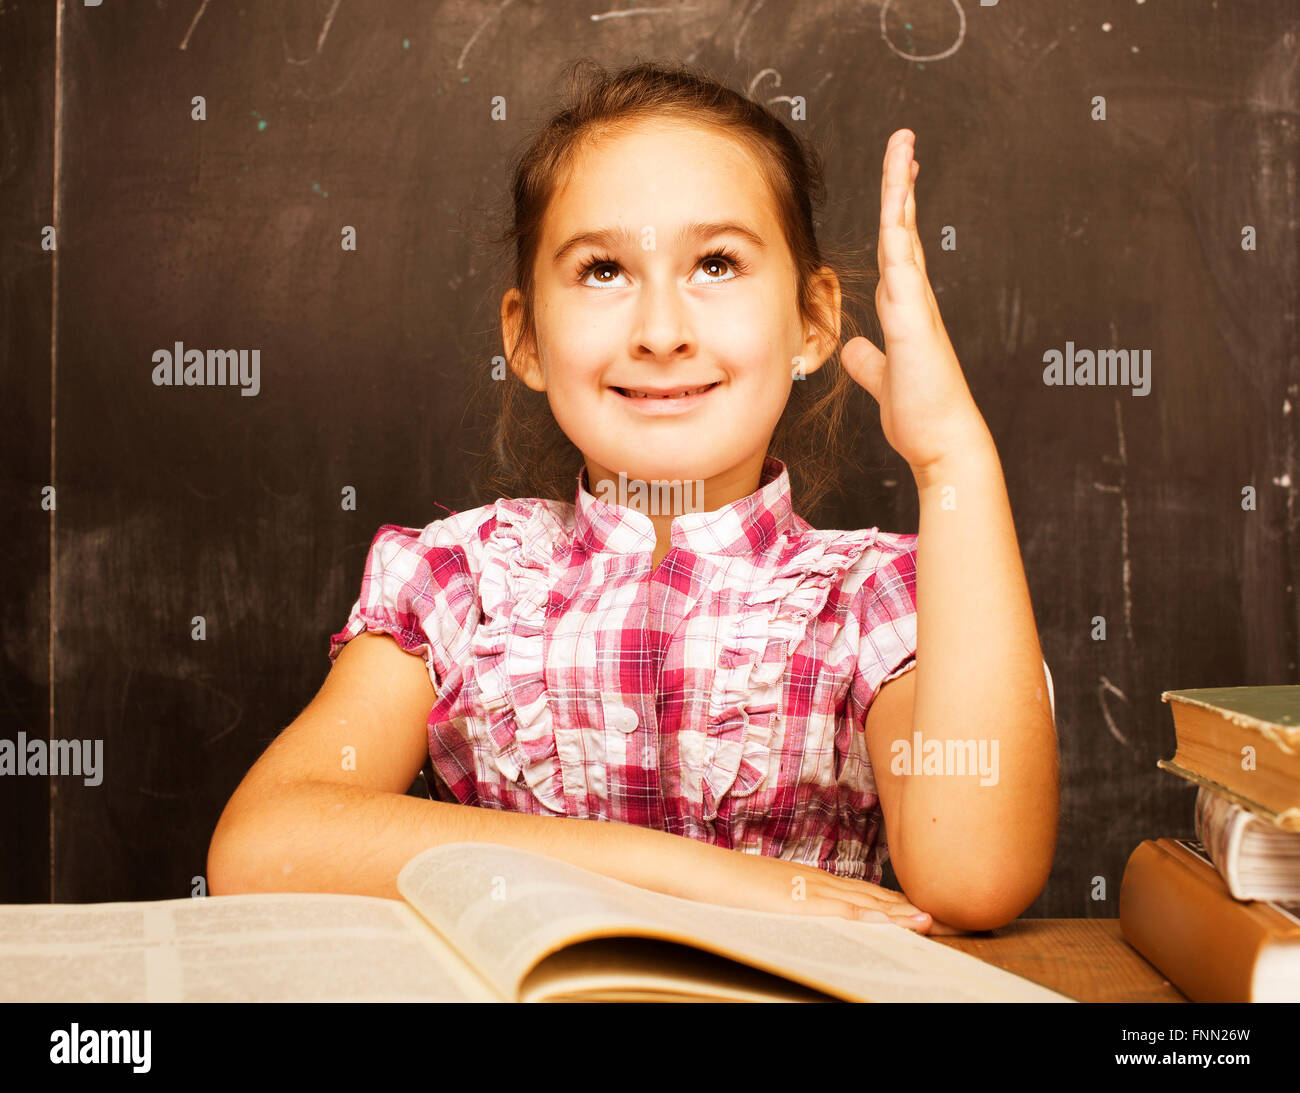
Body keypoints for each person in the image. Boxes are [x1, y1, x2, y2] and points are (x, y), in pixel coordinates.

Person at [208, 59, 1058, 935]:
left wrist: (953, 458)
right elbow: (263, 846)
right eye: (604, 270)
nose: (660, 333)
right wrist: (683, 877)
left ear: (812, 321)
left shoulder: (872, 598)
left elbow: (976, 872)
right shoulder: (461, 584)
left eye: (718, 263)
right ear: (526, 338)